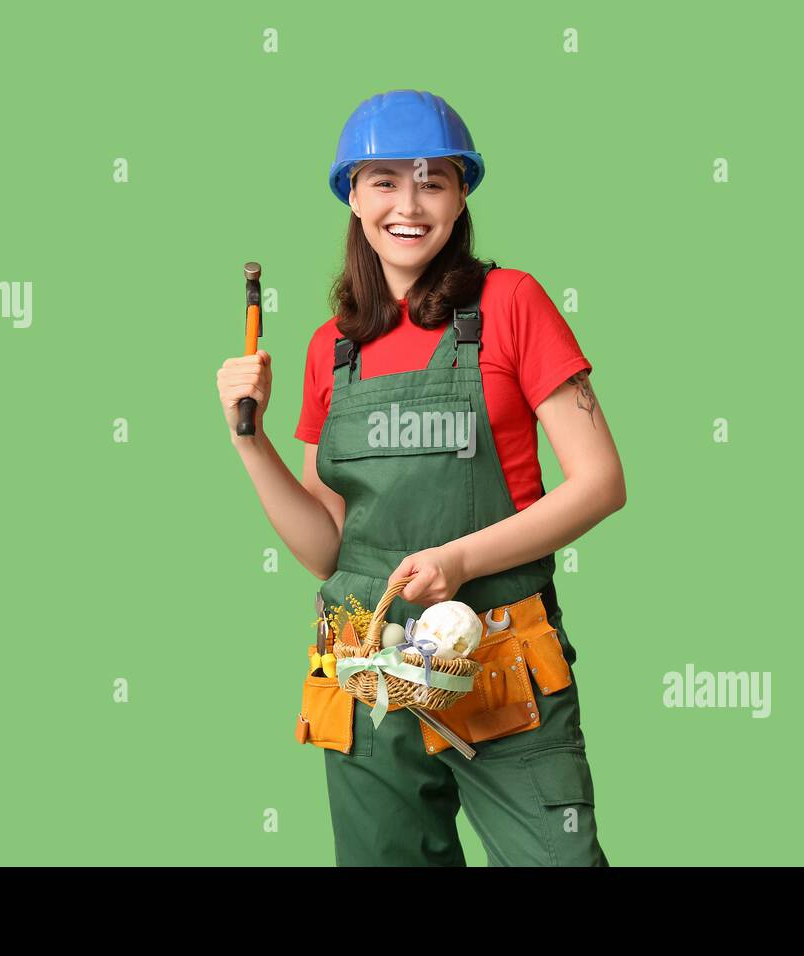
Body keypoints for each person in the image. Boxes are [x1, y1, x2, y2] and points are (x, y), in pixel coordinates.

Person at [216, 89, 625, 866]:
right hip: (367, 671)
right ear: (354, 198)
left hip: (501, 663)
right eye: (384, 182)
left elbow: (600, 481)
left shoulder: (512, 303)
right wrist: (252, 442)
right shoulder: (330, 348)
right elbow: (326, 549)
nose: (409, 204)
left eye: (433, 181)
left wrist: (461, 560)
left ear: (460, 195)